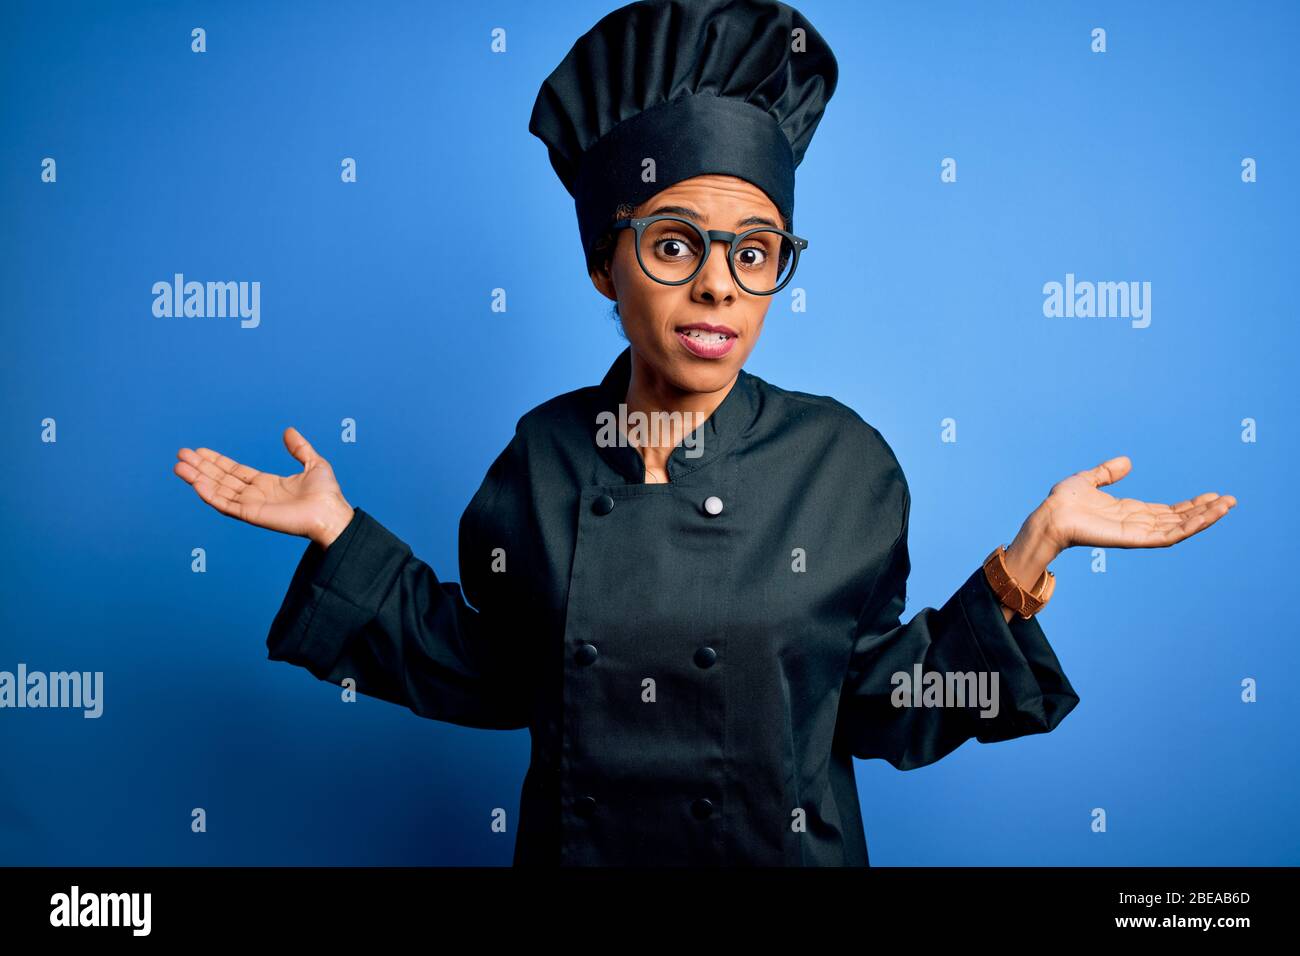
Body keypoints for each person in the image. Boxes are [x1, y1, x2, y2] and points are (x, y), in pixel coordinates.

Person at [172, 0, 1236, 866]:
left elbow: (875, 703)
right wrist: (338, 532)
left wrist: (1020, 564)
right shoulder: (540, 458)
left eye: (756, 248)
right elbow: (491, 669)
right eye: (674, 243)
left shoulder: (844, 466)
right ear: (604, 262)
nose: (719, 285)